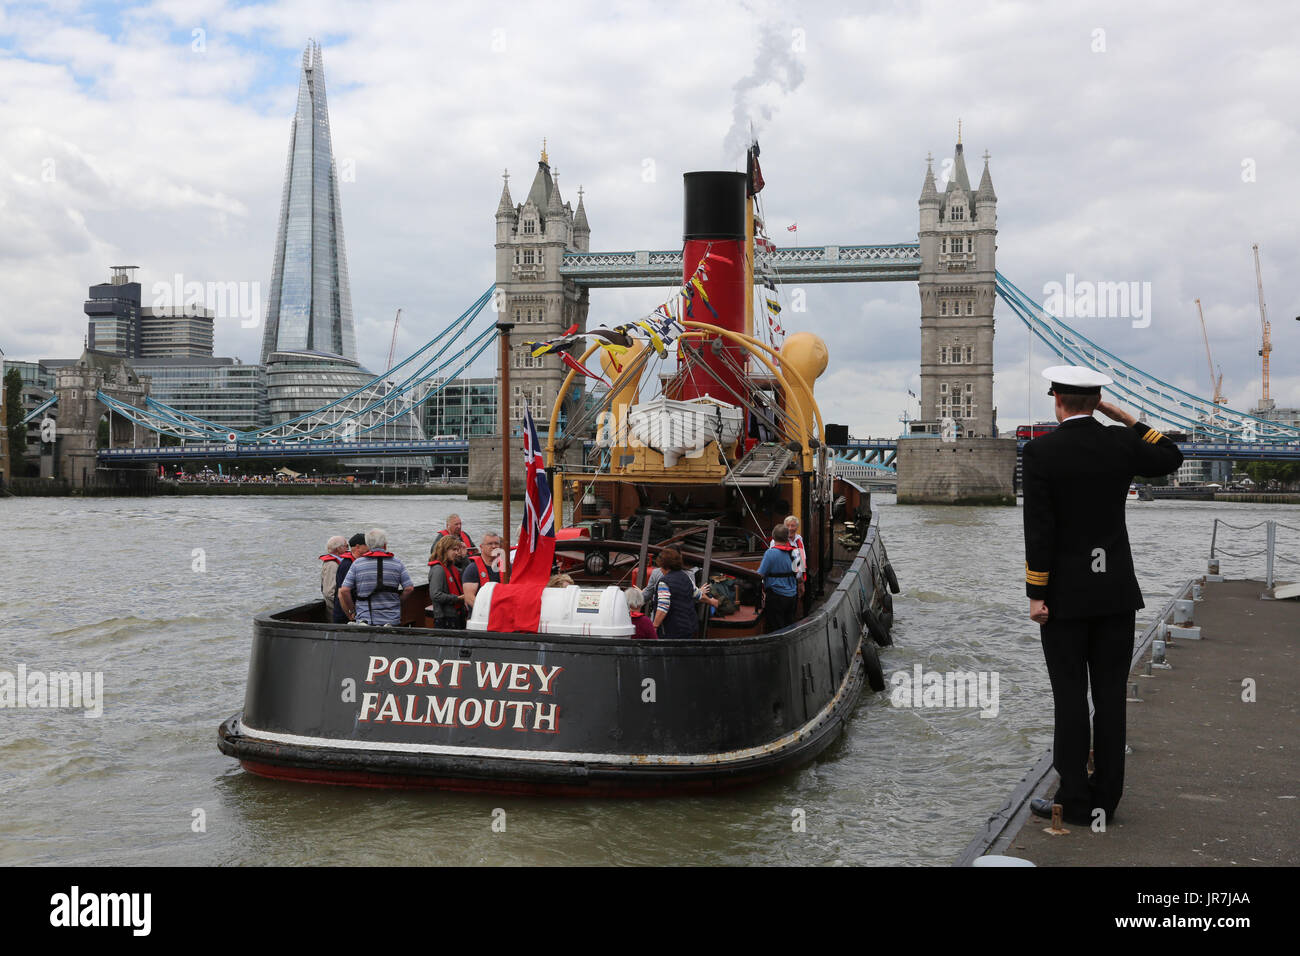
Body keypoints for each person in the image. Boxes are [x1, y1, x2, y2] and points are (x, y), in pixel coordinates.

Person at [1023, 366, 1183, 828]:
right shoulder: (1121, 443)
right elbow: (1170, 455)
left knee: (1069, 698)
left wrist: (1037, 593)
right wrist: (1126, 418)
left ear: (1057, 400)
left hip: (1064, 600)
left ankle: (1074, 799)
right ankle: (1104, 803)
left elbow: (1040, 528)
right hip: (1115, 595)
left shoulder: (1041, 452)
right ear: (1096, 400)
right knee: (1110, 698)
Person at [338, 528, 415, 626]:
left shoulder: (357, 564)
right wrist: (398, 602)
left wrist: (352, 610)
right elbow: (409, 589)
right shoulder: (397, 563)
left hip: (365, 619)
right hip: (391, 619)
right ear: (385, 545)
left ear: (368, 545)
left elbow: (344, 590)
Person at [650, 547, 719, 640]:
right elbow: (698, 595)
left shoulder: (664, 582)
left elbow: (663, 607)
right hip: (689, 627)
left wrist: (654, 627)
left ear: (664, 565)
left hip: (671, 630)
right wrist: (711, 601)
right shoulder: (685, 577)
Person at [758, 524, 801, 633]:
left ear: (773, 537)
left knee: (776, 629)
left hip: (776, 597)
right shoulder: (795, 552)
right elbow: (799, 575)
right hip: (792, 597)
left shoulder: (770, 553)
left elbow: (760, 574)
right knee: (789, 625)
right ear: (787, 537)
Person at [427, 535, 470, 628]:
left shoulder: (453, 568)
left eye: (457, 550)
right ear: (444, 550)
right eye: (454, 550)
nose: (457, 553)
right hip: (445, 619)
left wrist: (464, 557)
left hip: (458, 615)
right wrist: (457, 598)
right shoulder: (438, 569)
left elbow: (468, 575)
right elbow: (436, 595)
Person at [432, 513, 488, 579]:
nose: (459, 526)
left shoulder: (465, 535)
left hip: (467, 563)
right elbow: (435, 555)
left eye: (460, 524)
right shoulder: (441, 538)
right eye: (456, 524)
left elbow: (474, 550)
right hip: (453, 568)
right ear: (448, 526)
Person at [462, 531, 502, 610]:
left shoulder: (507, 567)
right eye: (490, 544)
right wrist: (486, 612)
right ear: (481, 547)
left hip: (502, 612)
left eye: (496, 543)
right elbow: (469, 597)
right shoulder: (472, 569)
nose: (494, 546)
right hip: (481, 616)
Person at [333, 533, 368, 623]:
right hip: (345, 614)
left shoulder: (357, 562)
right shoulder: (347, 564)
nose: (370, 548)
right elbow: (341, 594)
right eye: (367, 545)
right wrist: (351, 615)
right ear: (358, 547)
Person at [319, 536, 348, 619]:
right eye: (346, 546)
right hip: (335, 611)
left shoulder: (337, 562)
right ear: (338, 549)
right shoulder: (332, 565)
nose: (348, 549)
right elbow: (329, 592)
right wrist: (343, 607)